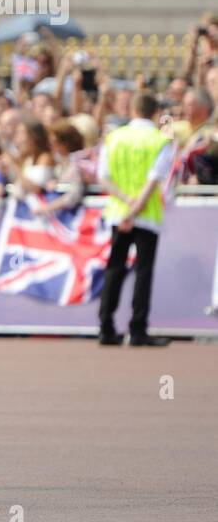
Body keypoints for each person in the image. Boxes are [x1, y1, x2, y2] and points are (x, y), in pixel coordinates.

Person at [97, 92, 174, 348]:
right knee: (143, 271)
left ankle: (106, 327)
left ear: (132, 110)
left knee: (114, 268)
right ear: (154, 112)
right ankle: (137, 329)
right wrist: (136, 209)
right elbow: (153, 181)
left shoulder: (114, 137)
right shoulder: (160, 140)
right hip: (146, 215)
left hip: (119, 212)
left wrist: (126, 205)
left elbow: (103, 177)